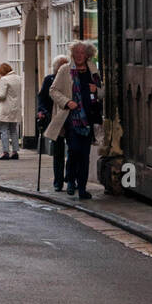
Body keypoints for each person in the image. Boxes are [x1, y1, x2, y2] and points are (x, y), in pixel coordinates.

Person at [44, 42, 103, 199]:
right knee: (74, 150)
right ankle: (70, 181)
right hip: (71, 118)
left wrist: (96, 90)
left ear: (87, 54)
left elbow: (103, 92)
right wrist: (67, 102)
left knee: (84, 154)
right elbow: (53, 90)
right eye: (76, 52)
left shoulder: (93, 70)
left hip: (88, 118)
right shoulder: (65, 70)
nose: (78, 55)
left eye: (82, 52)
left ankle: (82, 188)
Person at [37, 54, 68, 191]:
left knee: (74, 151)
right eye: (61, 67)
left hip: (71, 118)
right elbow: (43, 98)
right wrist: (42, 111)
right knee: (58, 152)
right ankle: (58, 181)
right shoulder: (49, 80)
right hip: (55, 119)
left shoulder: (73, 78)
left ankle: (72, 178)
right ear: (56, 69)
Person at [0, 61, 23, 160]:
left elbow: (2, 95)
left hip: (5, 108)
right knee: (14, 130)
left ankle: (5, 152)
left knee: (4, 130)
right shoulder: (18, 78)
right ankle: (15, 152)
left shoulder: (5, 79)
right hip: (16, 108)